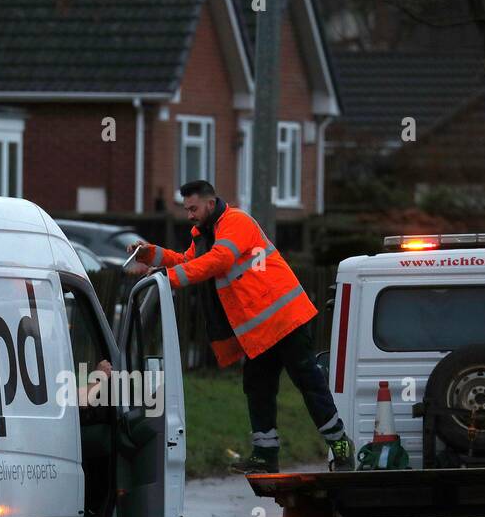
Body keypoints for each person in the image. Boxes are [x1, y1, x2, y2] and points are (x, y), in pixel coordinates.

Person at [128, 180, 354, 473]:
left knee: (308, 382)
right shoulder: (205, 234)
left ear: (211, 204)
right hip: (261, 330)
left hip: (285, 319)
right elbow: (187, 261)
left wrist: (167, 277)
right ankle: (265, 455)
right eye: (187, 209)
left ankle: (339, 443)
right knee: (258, 388)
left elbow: (219, 260)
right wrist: (149, 254)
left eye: (193, 208)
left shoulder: (236, 222)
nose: (189, 215)